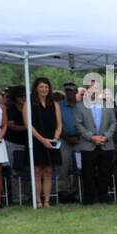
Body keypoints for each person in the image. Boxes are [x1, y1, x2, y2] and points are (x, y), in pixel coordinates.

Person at [75, 85, 117, 204]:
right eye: (92, 89)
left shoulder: (108, 105)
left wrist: (106, 136)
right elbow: (78, 125)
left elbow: (113, 123)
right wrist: (92, 137)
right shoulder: (79, 106)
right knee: (88, 173)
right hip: (88, 145)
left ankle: (103, 198)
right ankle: (89, 199)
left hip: (106, 144)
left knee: (105, 172)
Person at [27, 77, 64, 207]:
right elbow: (28, 125)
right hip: (36, 140)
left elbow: (59, 124)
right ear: (36, 88)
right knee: (37, 171)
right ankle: (38, 200)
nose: (44, 89)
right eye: (41, 87)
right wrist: (42, 140)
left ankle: (47, 200)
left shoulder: (55, 104)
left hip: (52, 139)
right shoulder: (29, 103)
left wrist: (55, 138)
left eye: (46, 87)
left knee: (48, 170)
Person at [57, 82, 81, 201]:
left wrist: (78, 136)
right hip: (64, 139)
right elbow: (57, 124)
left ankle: (76, 191)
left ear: (76, 91)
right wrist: (67, 138)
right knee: (63, 166)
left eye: (71, 90)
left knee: (79, 167)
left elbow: (86, 123)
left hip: (80, 139)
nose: (69, 92)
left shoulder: (82, 106)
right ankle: (63, 192)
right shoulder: (59, 105)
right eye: (66, 90)